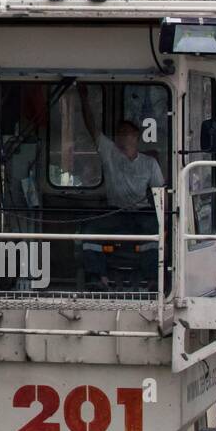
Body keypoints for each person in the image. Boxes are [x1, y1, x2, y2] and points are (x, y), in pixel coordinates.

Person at [77, 85, 165, 288]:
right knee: (90, 232)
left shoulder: (149, 163)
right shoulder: (110, 154)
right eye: (121, 134)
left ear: (137, 137)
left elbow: (159, 192)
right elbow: (92, 128)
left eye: (129, 133)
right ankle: (97, 277)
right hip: (115, 211)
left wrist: (164, 217)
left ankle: (152, 279)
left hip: (142, 212)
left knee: (155, 233)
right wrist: (83, 99)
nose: (124, 137)